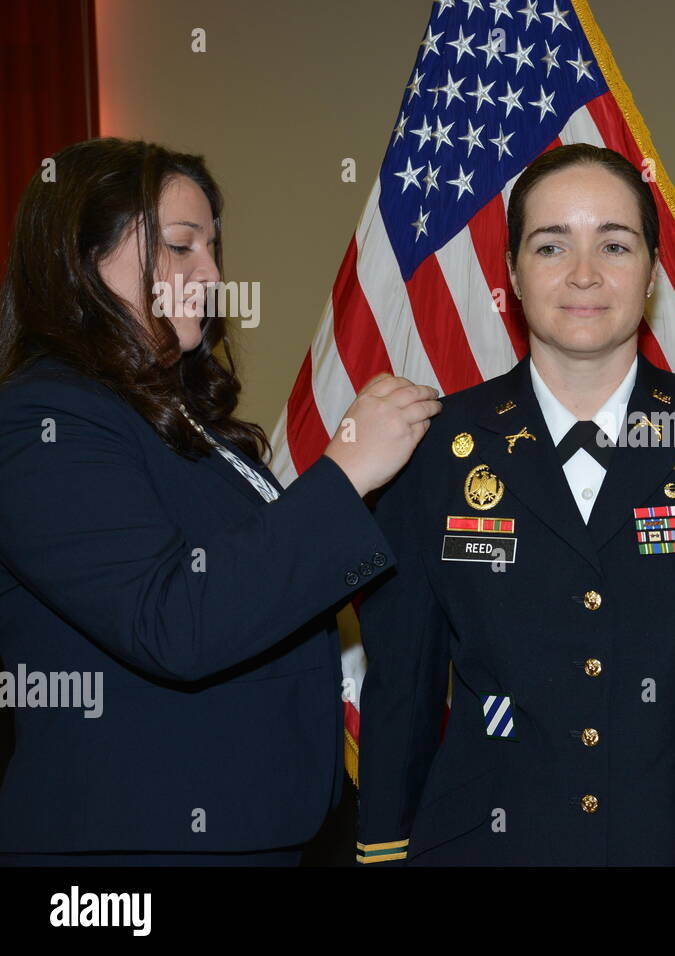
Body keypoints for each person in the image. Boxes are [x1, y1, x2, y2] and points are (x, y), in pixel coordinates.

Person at [355, 144, 675, 866]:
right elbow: (402, 689)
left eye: (615, 244)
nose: (584, 274)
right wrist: (383, 847)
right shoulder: (431, 447)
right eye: (550, 245)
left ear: (654, 272)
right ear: (511, 272)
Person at [0, 138, 440, 864]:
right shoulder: (41, 420)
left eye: (213, 247)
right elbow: (173, 620)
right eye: (180, 247)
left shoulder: (187, 420)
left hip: (260, 834)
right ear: (80, 261)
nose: (209, 273)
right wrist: (344, 473)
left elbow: (255, 590)